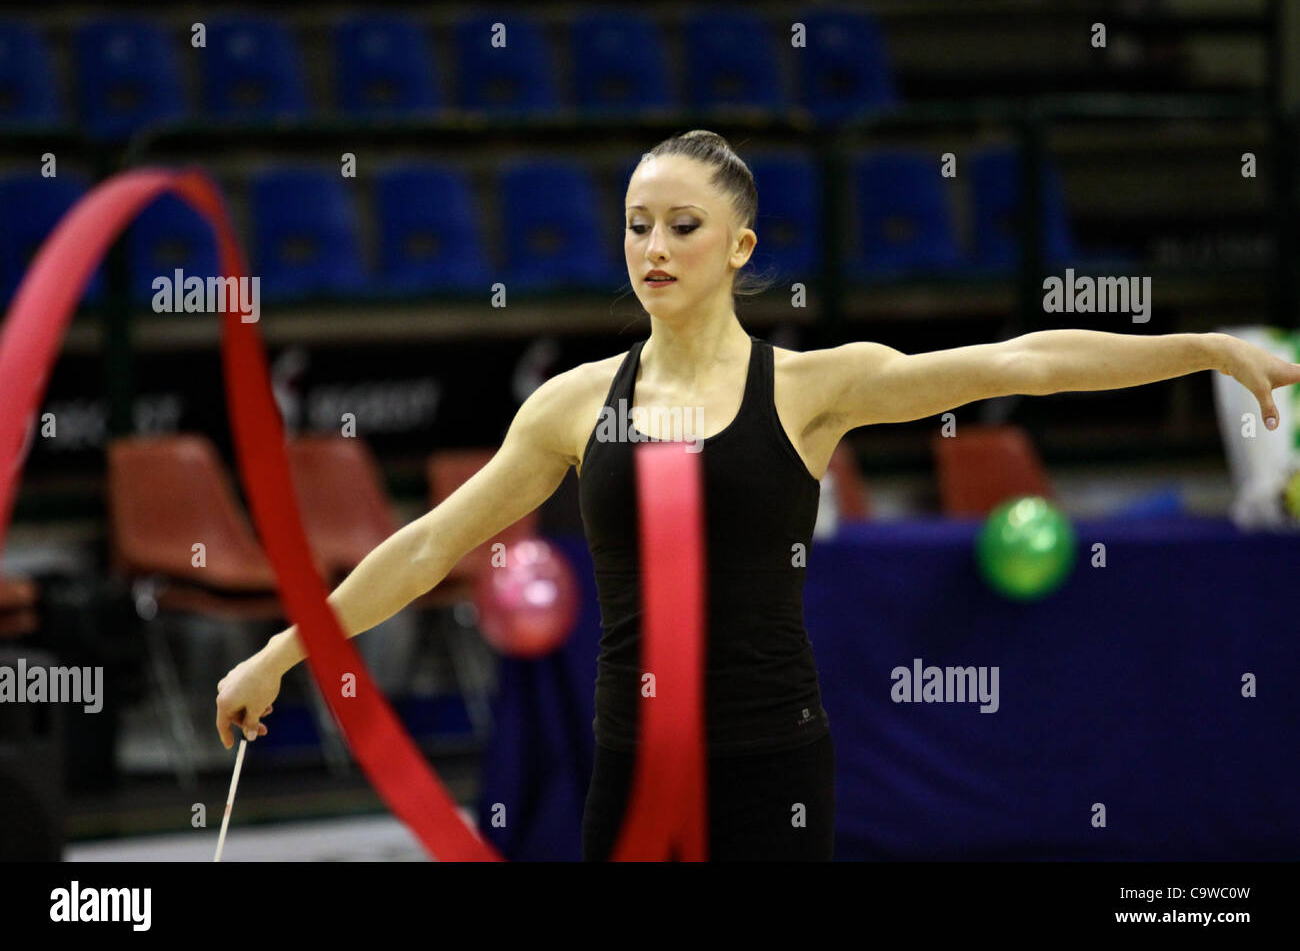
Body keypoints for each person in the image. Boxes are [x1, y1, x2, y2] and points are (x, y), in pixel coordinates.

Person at [216, 128, 1300, 861]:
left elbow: (1023, 362)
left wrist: (1202, 344)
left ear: (737, 247)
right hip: (632, 760)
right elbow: (424, 546)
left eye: (681, 226)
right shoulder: (570, 403)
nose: (653, 246)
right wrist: (279, 651)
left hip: (768, 758)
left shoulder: (813, 387)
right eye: (638, 223)